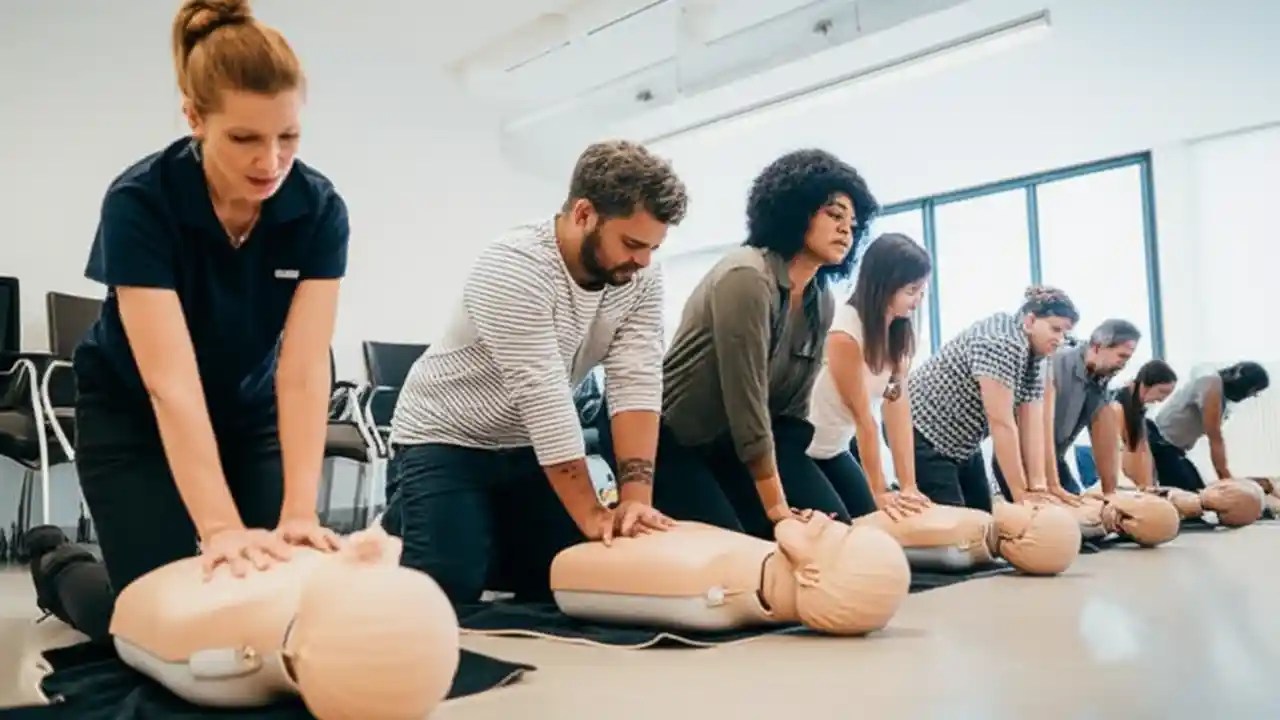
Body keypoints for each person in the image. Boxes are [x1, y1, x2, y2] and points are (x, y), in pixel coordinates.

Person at [71, 0, 347, 596]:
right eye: (244, 137)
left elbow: (302, 372)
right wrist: (220, 528)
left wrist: (300, 512)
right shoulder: (140, 202)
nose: (270, 160)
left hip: (249, 416)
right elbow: (169, 382)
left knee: (275, 593)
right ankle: (57, 565)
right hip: (133, 414)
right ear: (195, 117)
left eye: (288, 136)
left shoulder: (320, 210)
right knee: (159, 606)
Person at [380, 140, 688, 606]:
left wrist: (635, 499)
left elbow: (637, 382)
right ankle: (395, 533)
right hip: (445, 438)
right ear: (584, 213)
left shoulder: (642, 276)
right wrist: (589, 513)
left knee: (559, 582)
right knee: (448, 592)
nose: (643, 260)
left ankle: (473, 532)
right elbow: (543, 397)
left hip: (525, 447)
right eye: (631, 243)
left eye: (653, 247)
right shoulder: (515, 266)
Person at [649, 149, 880, 540]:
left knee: (836, 535)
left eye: (853, 224)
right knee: (740, 553)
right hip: (675, 443)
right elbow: (747, 406)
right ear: (795, 209)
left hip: (738, 448)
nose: (846, 231)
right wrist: (776, 509)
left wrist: (797, 502)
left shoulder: (821, 299)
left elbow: (788, 415)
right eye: (834, 215)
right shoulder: (747, 275)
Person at [906, 286, 1080, 510]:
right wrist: (1019, 494)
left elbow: (1032, 423)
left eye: (1064, 333)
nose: (1059, 339)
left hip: (962, 443)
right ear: (1030, 321)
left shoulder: (1036, 354)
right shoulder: (1000, 342)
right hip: (921, 432)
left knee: (984, 518)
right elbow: (1001, 423)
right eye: (1055, 329)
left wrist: (1039, 488)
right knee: (960, 531)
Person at [806, 233, 933, 520]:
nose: (918, 300)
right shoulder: (845, 333)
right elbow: (865, 417)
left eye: (922, 290)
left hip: (835, 448)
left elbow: (895, 405)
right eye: (912, 290)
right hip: (803, 448)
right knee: (854, 521)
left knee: (876, 516)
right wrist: (878, 490)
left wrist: (908, 485)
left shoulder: (899, 336)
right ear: (884, 285)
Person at [992, 319, 1141, 502]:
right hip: (1024, 459)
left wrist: (1110, 494)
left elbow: (1103, 438)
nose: (1123, 364)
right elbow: (1031, 426)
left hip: (1055, 459)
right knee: (1049, 520)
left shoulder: (1099, 380)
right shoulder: (1054, 364)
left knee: (1081, 511)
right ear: (1097, 347)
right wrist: (1042, 486)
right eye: (1122, 356)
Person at [1147, 361, 1270, 490]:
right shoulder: (1212, 384)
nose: (1251, 396)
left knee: (1195, 491)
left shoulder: (1219, 391)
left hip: (1171, 447)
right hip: (1160, 443)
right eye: (1253, 391)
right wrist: (1226, 479)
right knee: (1192, 496)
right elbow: (1215, 436)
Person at [1108, 359, 1178, 490]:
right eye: (1161, 391)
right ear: (1145, 384)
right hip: (1124, 484)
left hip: (1138, 486)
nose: (1162, 399)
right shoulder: (1116, 408)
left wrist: (1150, 485)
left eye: (1167, 395)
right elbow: (1115, 455)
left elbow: (1144, 453)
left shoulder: (1138, 412)